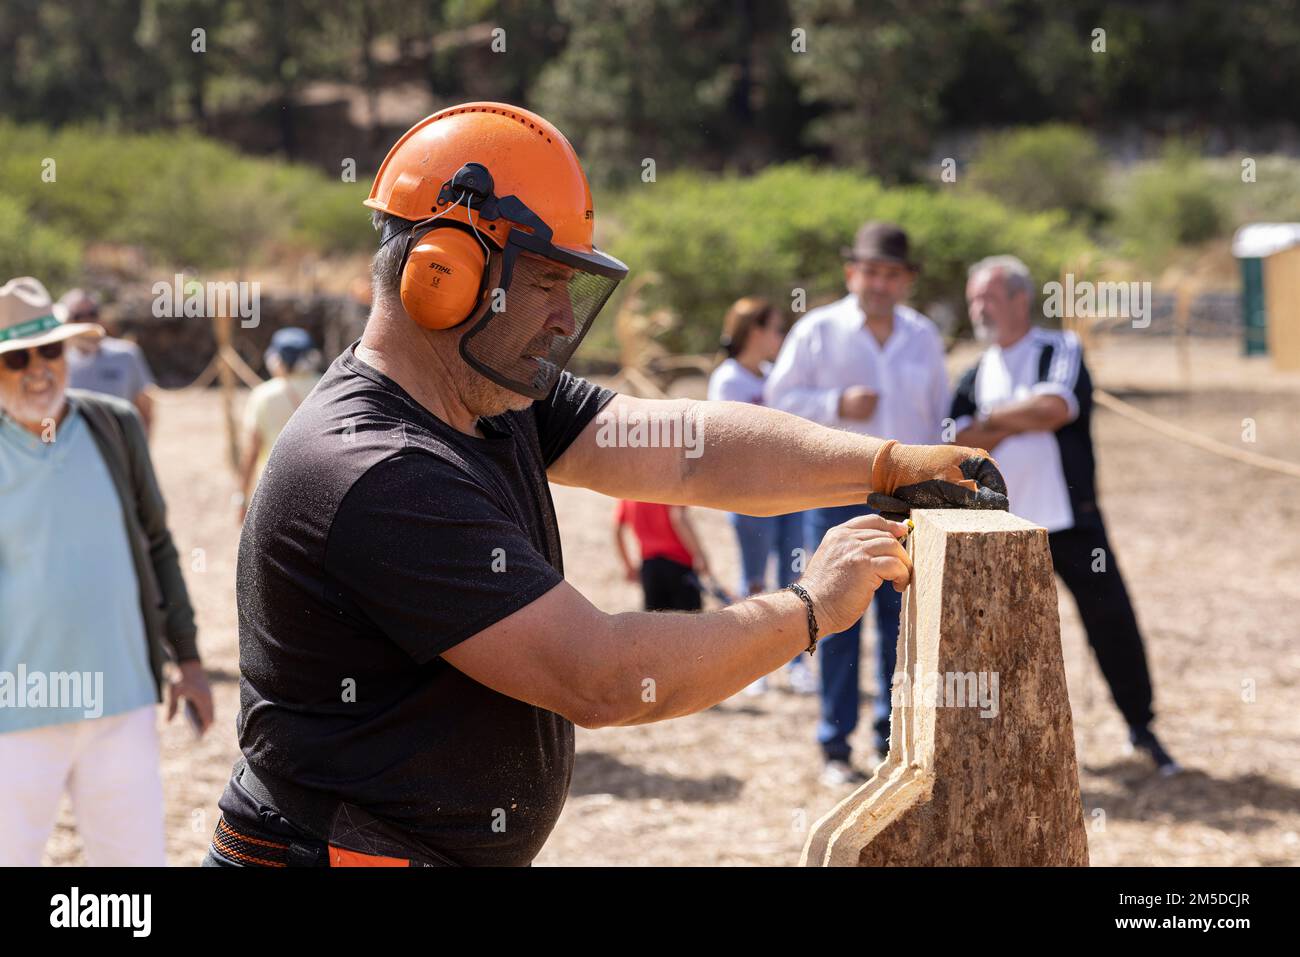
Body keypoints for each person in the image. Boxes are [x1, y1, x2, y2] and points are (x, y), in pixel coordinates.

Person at [205, 102, 1006, 868]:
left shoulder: (490, 387)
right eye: (548, 281)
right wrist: (811, 607)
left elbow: (687, 450)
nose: (563, 316)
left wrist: (886, 464)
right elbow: (603, 675)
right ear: (443, 273)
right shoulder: (378, 467)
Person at [0, 276, 213, 866]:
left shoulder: (114, 427)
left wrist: (189, 660)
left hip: (121, 704)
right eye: (17, 358)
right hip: (14, 717)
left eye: (50, 350)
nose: (39, 369)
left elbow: (159, 544)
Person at [952, 255, 1179, 775]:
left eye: (985, 297)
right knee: (1002, 637)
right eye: (971, 299)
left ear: (1018, 297)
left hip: (1071, 521)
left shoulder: (1059, 348)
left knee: (1111, 620)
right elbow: (957, 438)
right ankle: (1011, 748)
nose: (977, 308)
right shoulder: (973, 372)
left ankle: (1141, 727)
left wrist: (993, 422)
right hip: (1004, 529)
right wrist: (1011, 419)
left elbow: (1055, 407)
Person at [765, 222, 953, 785]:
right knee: (835, 618)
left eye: (891, 273)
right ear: (852, 273)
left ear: (906, 281)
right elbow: (776, 403)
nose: (879, 282)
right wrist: (836, 401)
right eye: (870, 271)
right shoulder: (818, 330)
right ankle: (835, 748)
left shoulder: (923, 337)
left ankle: (892, 741)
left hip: (908, 505)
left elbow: (939, 415)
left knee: (906, 625)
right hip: (836, 497)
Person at [707, 296, 815, 696]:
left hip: (789, 494)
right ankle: (752, 667)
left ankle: (794, 663)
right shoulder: (729, 379)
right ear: (755, 331)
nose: (781, 337)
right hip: (748, 496)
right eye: (775, 328)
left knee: (794, 580)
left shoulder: (775, 376)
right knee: (754, 581)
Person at [235, 327, 322, 523]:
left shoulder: (262, 396)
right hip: (320, 488)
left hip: (273, 490)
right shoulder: (328, 386)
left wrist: (241, 497)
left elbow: (252, 450)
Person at [60, 288, 157, 438]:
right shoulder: (56, 362)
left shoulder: (126, 355)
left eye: (92, 314)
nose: (87, 321)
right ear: (66, 321)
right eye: (78, 316)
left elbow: (145, 408)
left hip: (119, 451)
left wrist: (140, 453)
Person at [613, 500, 707, 612]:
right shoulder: (667, 487)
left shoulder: (629, 494)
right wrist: (698, 554)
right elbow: (678, 518)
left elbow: (618, 529)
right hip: (679, 564)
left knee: (654, 625)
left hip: (649, 567)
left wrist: (628, 566)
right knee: (691, 623)